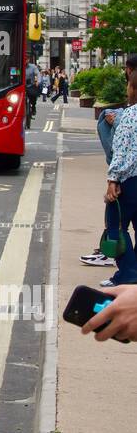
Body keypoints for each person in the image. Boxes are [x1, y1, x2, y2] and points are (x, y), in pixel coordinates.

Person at [96, 70, 137, 288]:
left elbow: (121, 151)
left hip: (130, 181)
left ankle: (129, 273)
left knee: (116, 227)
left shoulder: (130, 116)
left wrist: (113, 179)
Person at [25, 59, 40, 127]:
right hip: (22, 86)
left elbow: (37, 74)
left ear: (28, 60)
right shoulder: (19, 65)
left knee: (33, 95)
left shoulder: (33, 67)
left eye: (26, 59)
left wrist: (37, 81)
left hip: (31, 85)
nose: (25, 61)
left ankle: (33, 107)